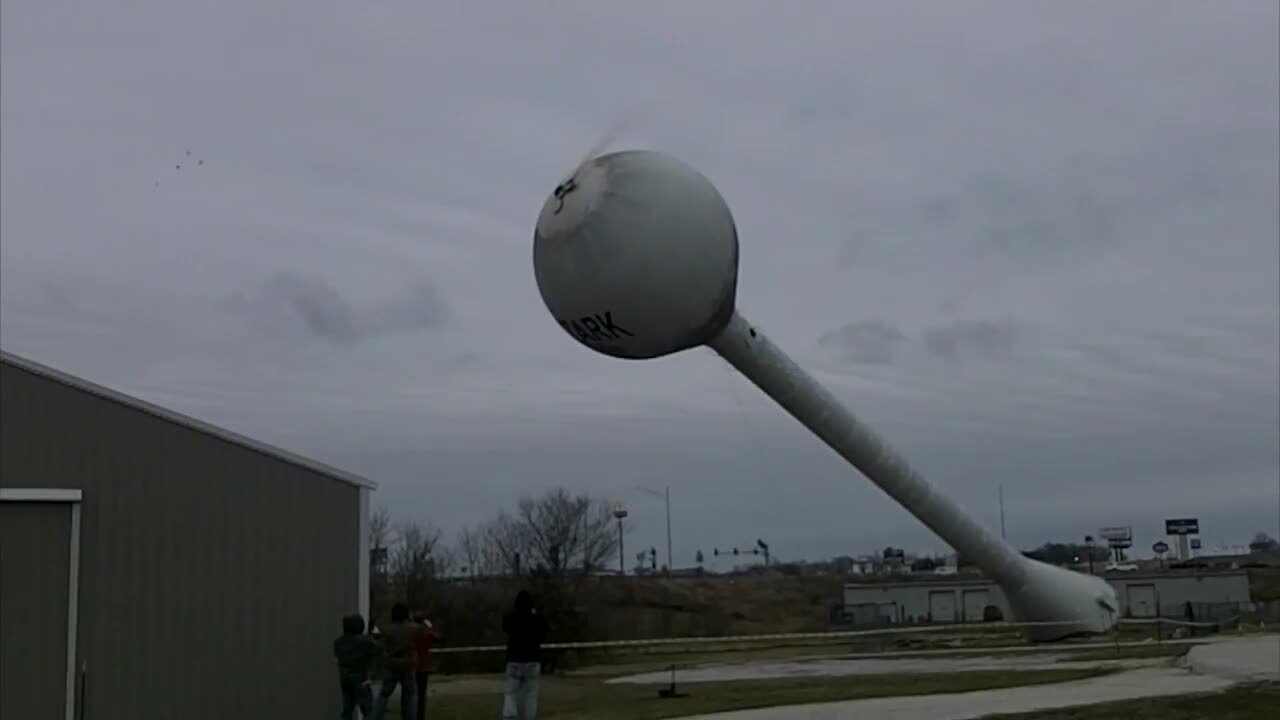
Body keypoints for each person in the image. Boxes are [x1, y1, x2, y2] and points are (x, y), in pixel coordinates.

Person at [501, 590, 546, 720]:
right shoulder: (536, 619)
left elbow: (505, 627)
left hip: (514, 660)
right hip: (532, 659)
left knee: (511, 692)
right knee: (531, 694)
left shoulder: (510, 618)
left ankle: (510, 716)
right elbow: (545, 628)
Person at [370, 603, 419, 720]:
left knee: (383, 695)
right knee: (409, 696)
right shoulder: (413, 628)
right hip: (408, 665)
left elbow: (378, 642)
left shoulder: (386, 629)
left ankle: (374, 717)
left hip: (392, 665)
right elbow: (426, 632)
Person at [333, 613, 381, 720]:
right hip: (361, 680)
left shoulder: (338, 642)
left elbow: (337, 658)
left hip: (345, 680)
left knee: (347, 711)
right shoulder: (364, 642)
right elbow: (377, 649)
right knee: (368, 711)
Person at [412, 610, 440, 720]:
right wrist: (430, 627)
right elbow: (437, 638)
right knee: (421, 696)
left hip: (412, 667)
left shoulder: (411, 633)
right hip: (423, 668)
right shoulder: (426, 633)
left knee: (411, 695)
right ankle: (420, 717)